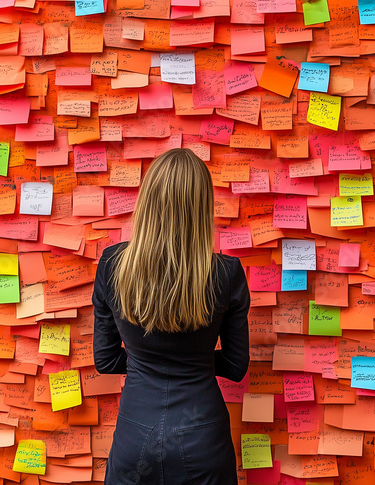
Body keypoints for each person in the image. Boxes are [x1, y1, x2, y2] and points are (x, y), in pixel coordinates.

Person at [91, 148, 251, 485]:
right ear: (202, 207)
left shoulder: (111, 264)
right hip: (203, 437)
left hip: (136, 437)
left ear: (148, 201)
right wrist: (195, 360)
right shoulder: (227, 273)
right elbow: (236, 367)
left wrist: (144, 360)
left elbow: (105, 360)